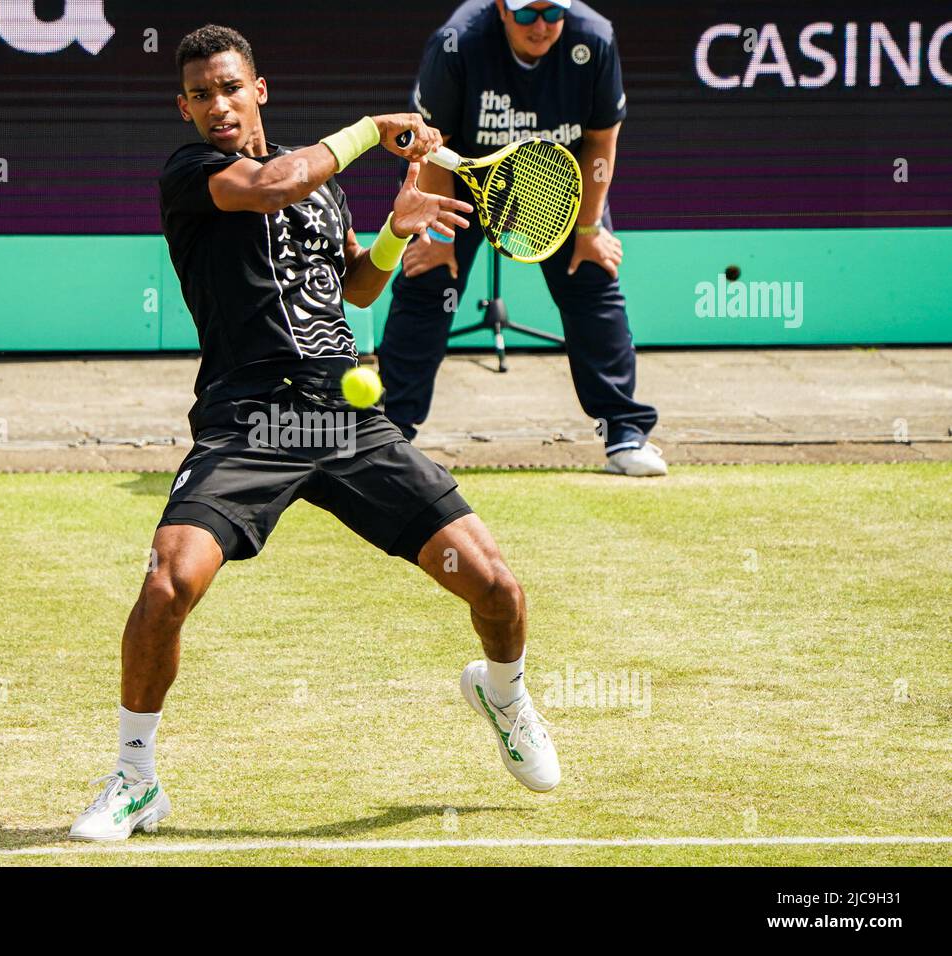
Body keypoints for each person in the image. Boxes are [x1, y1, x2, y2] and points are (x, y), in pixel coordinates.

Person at [69, 24, 560, 842]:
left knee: (499, 591)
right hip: (248, 418)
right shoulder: (194, 174)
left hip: (344, 417)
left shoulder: (321, 186)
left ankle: (503, 695)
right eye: (200, 94)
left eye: (231, 87)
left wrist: (396, 231)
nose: (218, 105)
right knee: (166, 586)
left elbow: (355, 289)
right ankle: (134, 779)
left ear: (259, 89)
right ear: (184, 108)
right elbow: (274, 185)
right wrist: (374, 128)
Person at [381, 0, 667, 477]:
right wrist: (439, 238)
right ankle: (390, 436)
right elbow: (432, 143)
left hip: (554, 174)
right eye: (528, 15)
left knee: (592, 273)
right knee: (429, 278)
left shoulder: (595, 38)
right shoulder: (458, 41)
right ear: (501, 9)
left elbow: (601, 139)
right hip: (464, 176)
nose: (541, 27)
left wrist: (589, 229)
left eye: (552, 15)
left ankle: (624, 434)